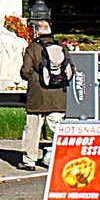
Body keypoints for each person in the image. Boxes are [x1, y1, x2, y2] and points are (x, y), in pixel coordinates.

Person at [21, 22, 72, 169]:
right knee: (57, 127)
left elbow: (26, 71)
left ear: (36, 33)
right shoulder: (61, 46)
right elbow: (71, 68)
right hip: (58, 94)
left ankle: (29, 161)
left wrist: (35, 78)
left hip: (37, 94)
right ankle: (61, 157)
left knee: (32, 128)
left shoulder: (33, 48)